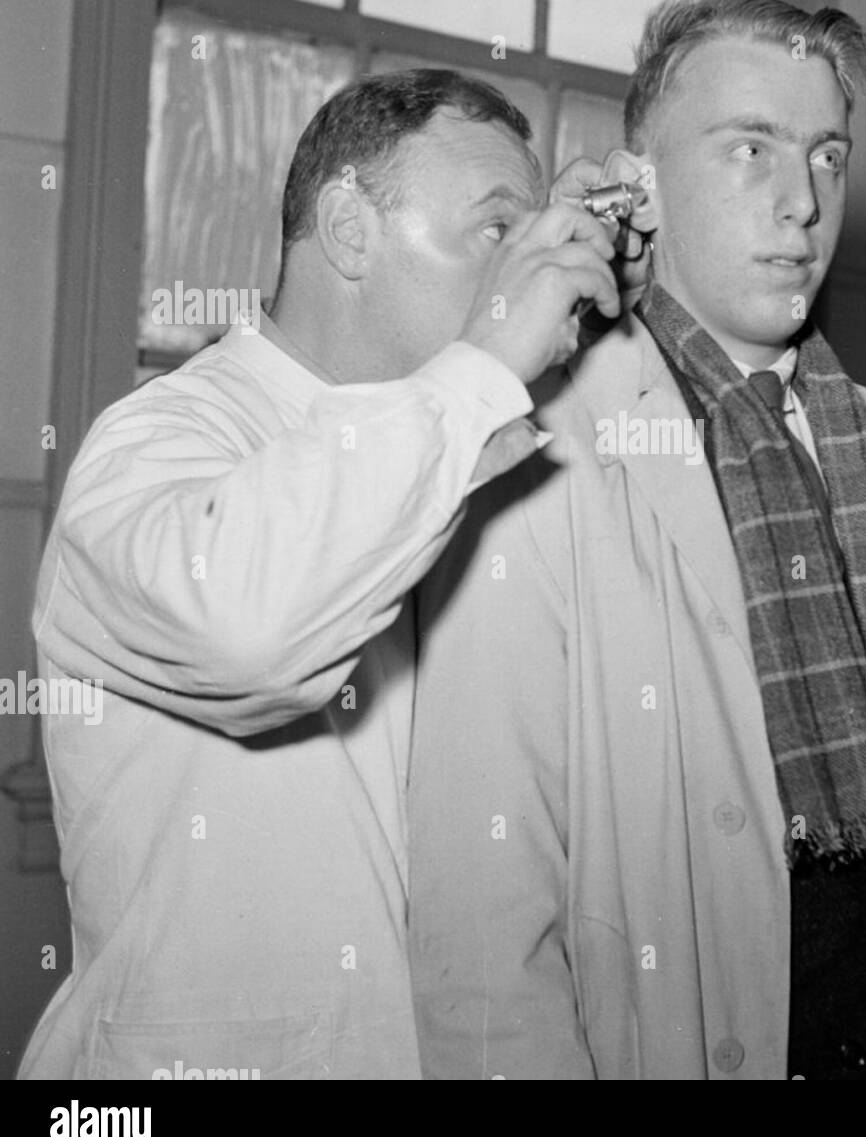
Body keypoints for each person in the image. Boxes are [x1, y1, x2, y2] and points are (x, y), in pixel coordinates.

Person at [407, 0, 866, 1079]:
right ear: (640, 187)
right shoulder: (541, 453)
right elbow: (483, 914)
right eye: (747, 148)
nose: (800, 200)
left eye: (826, 154)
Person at [19, 68, 630, 1079]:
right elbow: (250, 630)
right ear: (348, 229)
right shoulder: (152, 444)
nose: (519, 273)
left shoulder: (469, 441)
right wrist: (484, 363)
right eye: (493, 231)